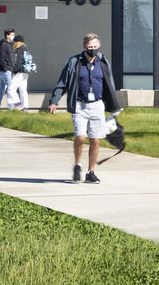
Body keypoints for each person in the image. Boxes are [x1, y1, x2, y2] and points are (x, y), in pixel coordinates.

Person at [47, 33, 120, 184]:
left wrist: (113, 105)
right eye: (90, 47)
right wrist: (54, 101)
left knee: (95, 140)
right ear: (84, 47)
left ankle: (90, 172)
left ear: (99, 46)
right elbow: (62, 83)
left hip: (97, 105)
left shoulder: (103, 62)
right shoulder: (74, 62)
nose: (92, 49)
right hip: (79, 105)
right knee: (80, 137)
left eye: (95, 47)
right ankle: (77, 164)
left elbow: (109, 84)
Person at [7, 34, 36, 111]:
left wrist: (14, 70)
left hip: (19, 72)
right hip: (25, 72)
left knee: (11, 89)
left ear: (17, 42)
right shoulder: (25, 48)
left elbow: (18, 62)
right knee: (23, 90)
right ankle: (25, 107)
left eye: (14, 42)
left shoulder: (19, 49)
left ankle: (18, 105)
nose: (13, 43)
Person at [0, 28, 16, 111]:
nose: (13, 36)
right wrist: (6, 69)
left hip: (5, 70)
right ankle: (11, 108)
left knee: (1, 90)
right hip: (5, 71)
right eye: (12, 35)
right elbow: (1, 58)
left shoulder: (7, 45)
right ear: (7, 36)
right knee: (11, 88)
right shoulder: (4, 45)